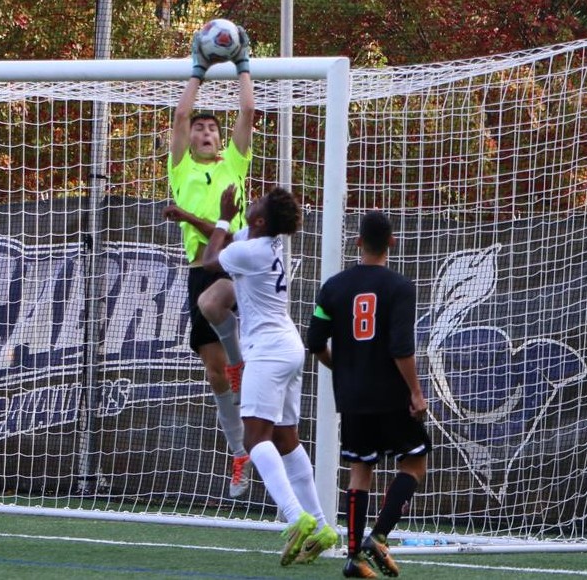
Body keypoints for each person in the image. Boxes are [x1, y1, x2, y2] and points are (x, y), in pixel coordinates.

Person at [202, 184, 339, 566]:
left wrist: (223, 214)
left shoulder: (250, 249)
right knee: (285, 439)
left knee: (253, 437)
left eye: (258, 203)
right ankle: (324, 525)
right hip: (289, 346)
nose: (254, 201)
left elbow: (211, 257)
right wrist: (197, 217)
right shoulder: (263, 242)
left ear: (260, 219)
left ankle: (297, 517)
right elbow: (228, 240)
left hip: (268, 351)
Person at [306, 211, 430, 579]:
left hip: (352, 397)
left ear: (357, 243)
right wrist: (416, 392)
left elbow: (314, 343)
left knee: (361, 469)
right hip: (390, 394)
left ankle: (354, 557)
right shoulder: (400, 287)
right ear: (391, 242)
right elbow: (400, 349)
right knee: (414, 461)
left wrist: (342, 367)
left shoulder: (332, 287)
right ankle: (377, 538)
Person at [161, 25, 253, 499]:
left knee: (246, 363)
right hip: (200, 273)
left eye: (211, 128)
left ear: (221, 140)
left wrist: (243, 66)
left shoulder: (234, 165)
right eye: (200, 127)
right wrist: (197, 70)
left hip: (238, 268)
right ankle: (239, 453)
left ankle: (245, 366)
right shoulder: (181, 168)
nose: (204, 131)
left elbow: (249, 110)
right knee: (217, 376)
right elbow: (179, 113)